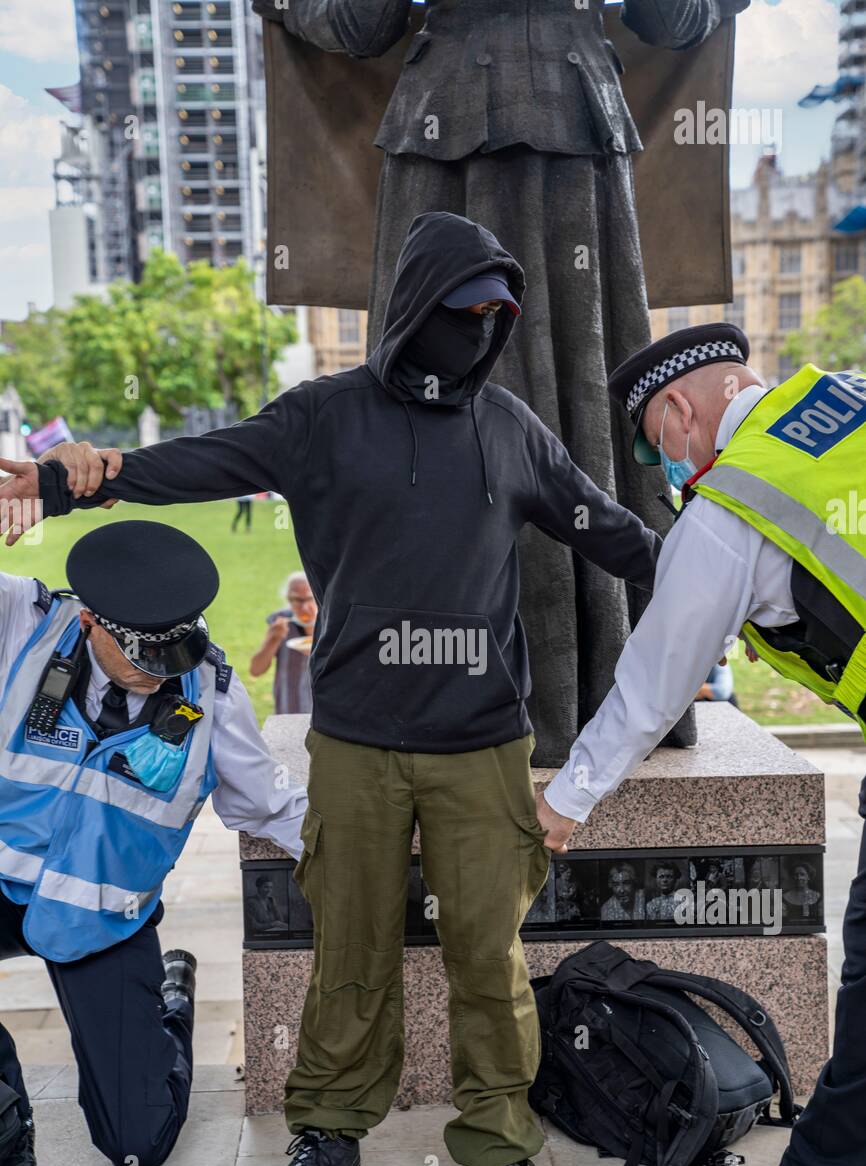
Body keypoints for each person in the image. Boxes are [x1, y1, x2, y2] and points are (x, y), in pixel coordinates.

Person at [1, 212, 664, 1166]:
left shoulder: (509, 429)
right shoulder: (321, 417)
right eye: (461, 312)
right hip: (353, 741)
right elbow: (201, 462)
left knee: (486, 956)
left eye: (497, 316)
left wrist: (714, 577)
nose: (480, 331)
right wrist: (61, 479)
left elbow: (602, 526)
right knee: (348, 948)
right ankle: (328, 1128)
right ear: (412, 309)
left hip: (484, 744)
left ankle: (498, 1143)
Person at [251, 0, 752, 761]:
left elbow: (360, 23)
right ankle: (599, 691)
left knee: (431, 395)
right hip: (578, 123)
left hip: (444, 132)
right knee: (585, 392)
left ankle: (441, 695)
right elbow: (673, 17)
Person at [534, 321, 866, 1166]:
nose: (664, 463)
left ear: (680, 409)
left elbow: (655, 681)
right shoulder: (841, 403)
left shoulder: (733, 504)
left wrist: (565, 800)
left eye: (656, 441)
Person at [0, 520, 306, 1166]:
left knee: (139, 1142)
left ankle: (169, 1002)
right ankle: (6, 1140)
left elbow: (272, 806)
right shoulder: (21, 621)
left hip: (100, 916)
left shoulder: (213, 697)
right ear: (88, 620)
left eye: (176, 645)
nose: (163, 666)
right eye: (142, 651)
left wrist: (389, 843)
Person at [249, 571, 317, 714]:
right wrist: (273, 639)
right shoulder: (280, 621)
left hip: (321, 711)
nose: (304, 607)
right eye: (297, 600)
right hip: (289, 707)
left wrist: (313, 627)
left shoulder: (331, 621)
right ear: (288, 599)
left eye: (309, 599)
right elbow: (256, 670)